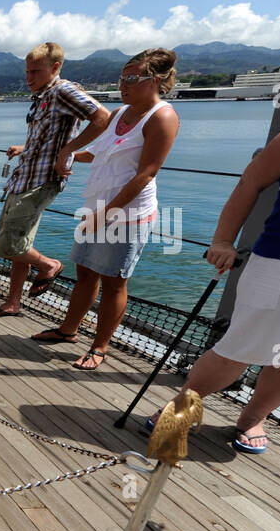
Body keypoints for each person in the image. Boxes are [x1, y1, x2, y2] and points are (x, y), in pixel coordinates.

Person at [147, 106, 280, 455]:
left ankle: (253, 417)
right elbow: (252, 180)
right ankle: (183, 407)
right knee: (239, 349)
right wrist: (222, 240)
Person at [34, 49, 180, 372]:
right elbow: (97, 154)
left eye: (131, 78)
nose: (123, 84)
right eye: (122, 78)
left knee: (114, 280)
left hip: (126, 214)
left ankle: (100, 347)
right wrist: (66, 154)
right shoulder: (118, 114)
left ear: (155, 80)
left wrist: (107, 213)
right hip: (96, 205)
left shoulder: (162, 117)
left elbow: (146, 173)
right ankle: (68, 330)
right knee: (85, 271)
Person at [0, 43, 110, 320]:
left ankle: (50, 265)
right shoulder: (43, 95)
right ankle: (13, 302)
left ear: (55, 67)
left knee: (9, 245)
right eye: (27, 72)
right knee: (19, 241)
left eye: (36, 71)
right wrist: (24, 148)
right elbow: (48, 137)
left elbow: (102, 117)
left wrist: (68, 151)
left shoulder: (63, 91)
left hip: (41, 181)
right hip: (26, 177)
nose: (29, 77)